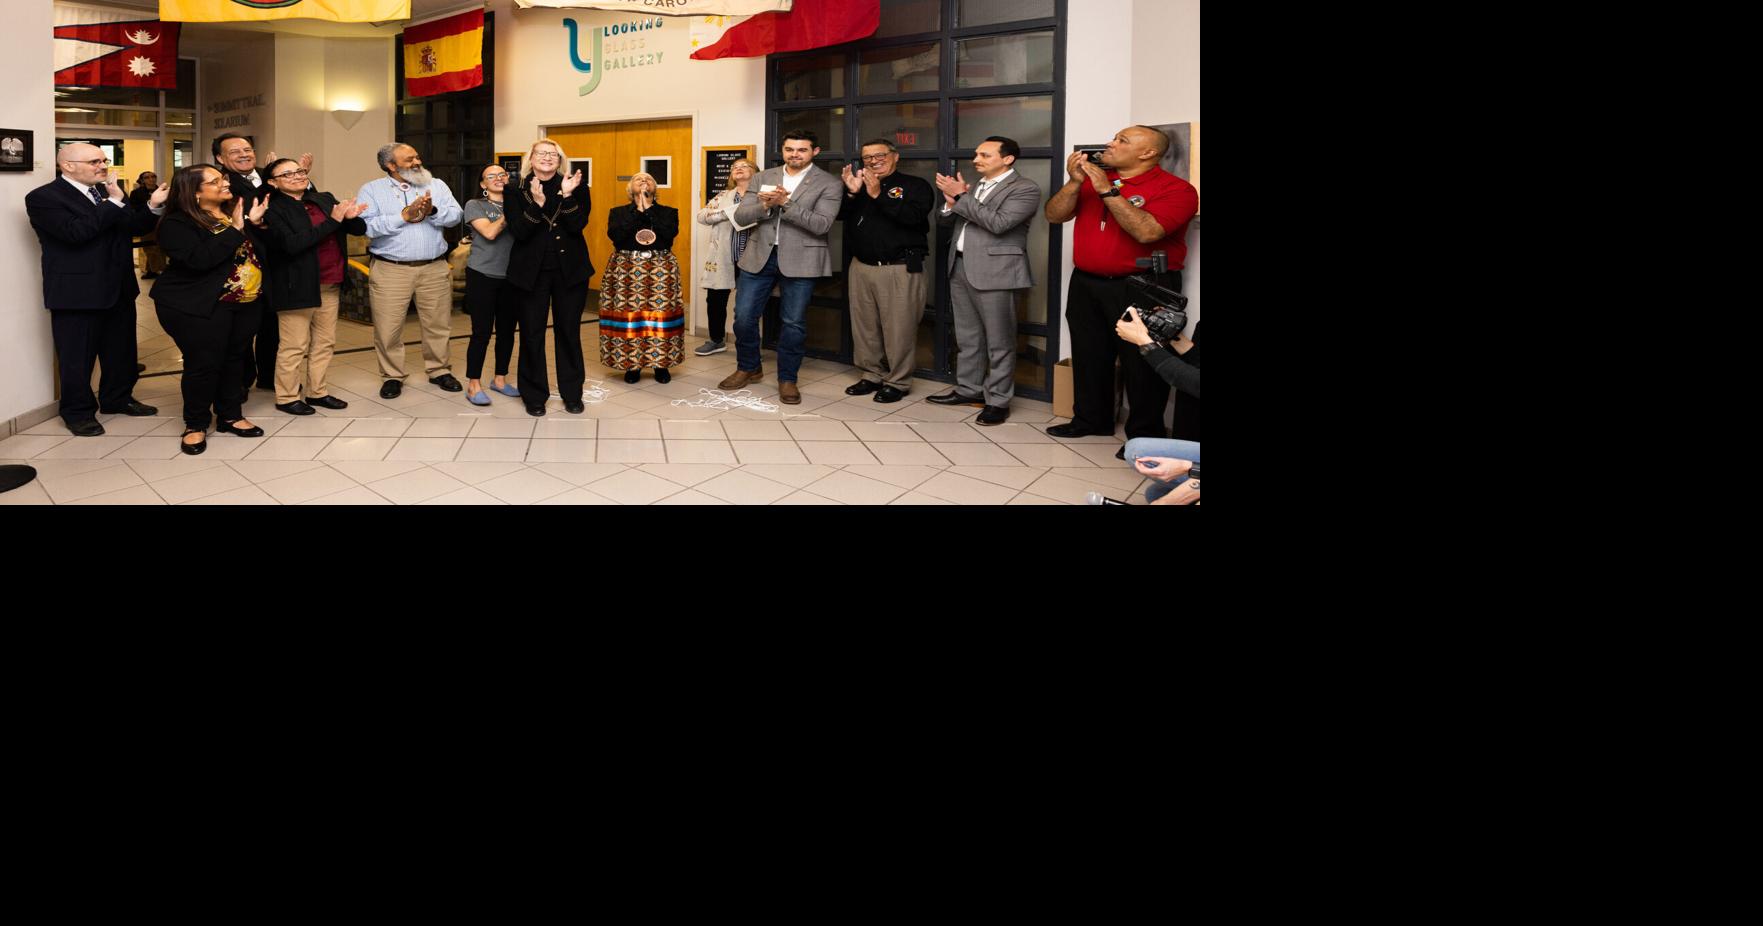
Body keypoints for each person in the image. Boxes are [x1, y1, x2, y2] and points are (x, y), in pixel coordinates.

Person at [1044, 125, 1198, 444]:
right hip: (1087, 283)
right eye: (1114, 137)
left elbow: (1147, 232)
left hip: (1145, 285)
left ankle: (1144, 434)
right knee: (1089, 353)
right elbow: (1054, 215)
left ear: (1148, 153)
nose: (1111, 144)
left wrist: (1107, 191)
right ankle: (1091, 419)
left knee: (1142, 361)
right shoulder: (1095, 178)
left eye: (1121, 140)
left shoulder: (1178, 190)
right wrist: (1075, 183)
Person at [24, 142, 167, 436]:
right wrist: (113, 203)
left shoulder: (105, 192)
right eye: (94, 161)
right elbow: (76, 233)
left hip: (119, 288)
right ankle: (77, 412)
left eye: (103, 160)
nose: (103, 166)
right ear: (68, 166)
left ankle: (117, 399)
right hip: (77, 293)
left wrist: (153, 205)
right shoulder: (43, 198)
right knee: (78, 358)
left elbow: (133, 227)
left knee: (121, 352)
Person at [149, 165, 272, 455]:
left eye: (223, 179)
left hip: (243, 303)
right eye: (215, 181)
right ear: (194, 191)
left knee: (235, 358)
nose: (224, 183)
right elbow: (200, 260)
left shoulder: (232, 213)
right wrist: (239, 229)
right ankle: (195, 424)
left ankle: (230, 416)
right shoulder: (177, 223)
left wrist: (251, 226)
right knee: (203, 363)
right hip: (196, 304)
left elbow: (250, 253)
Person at [723, 130, 843, 405]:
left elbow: (821, 225)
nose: (794, 154)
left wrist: (785, 203)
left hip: (802, 259)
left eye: (801, 150)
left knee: (793, 323)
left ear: (815, 151)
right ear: (783, 150)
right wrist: (764, 207)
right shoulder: (764, 176)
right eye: (789, 149)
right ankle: (749, 366)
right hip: (758, 256)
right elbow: (741, 215)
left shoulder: (828, 183)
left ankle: (787, 379)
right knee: (743, 317)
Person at [931, 136, 1042, 425]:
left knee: (1000, 341)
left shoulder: (1025, 188)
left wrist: (961, 198)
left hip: (998, 271)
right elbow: (947, 223)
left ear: (1008, 159)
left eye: (985, 155)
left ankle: (998, 400)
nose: (976, 159)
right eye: (976, 153)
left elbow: (999, 224)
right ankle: (969, 390)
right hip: (961, 267)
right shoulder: (975, 185)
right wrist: (949, 204)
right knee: (968, 338)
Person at [354, 142, 464, 401]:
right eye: (409, 159)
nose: (417, 162)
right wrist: (403, 215)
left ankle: (439, 370)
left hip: (434, 267)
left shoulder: (436, 185)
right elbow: (365, 227)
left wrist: (432, 211)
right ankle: (392, 375)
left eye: (417, 156)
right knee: (388, 328)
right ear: (391, 166)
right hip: (392, 269)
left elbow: (456, 215)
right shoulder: (371, 190)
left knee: (438, 325)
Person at [260, 157, 367, 415]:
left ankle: (317, 392)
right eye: (287, 174)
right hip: (296, 286)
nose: (297, 176)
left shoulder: (323, 198)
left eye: (298, 171)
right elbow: (292, 244)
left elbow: (357, 228)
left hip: (330, 281)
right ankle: (286, 397)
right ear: (273, 183)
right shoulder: (274, 210)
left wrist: (350, 218)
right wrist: (333, 221)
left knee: (324, 342)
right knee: (294, 345)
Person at [837, 138, 934, 404]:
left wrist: (878, 193)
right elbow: (840, 216)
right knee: (864, 326)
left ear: (895, 156)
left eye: (879, 155)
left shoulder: (916, 186)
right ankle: (871, 374)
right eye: (867, 157)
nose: (873, 161)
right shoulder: (858, 185)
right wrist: (853, 193)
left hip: (899, 268)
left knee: (899, 329)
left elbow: (913, 219)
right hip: (861, 267)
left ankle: (898, 381)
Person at [505, 137, 591, 417]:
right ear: (530, 158)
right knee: (531, 334)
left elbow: (578, 225)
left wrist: (566, 196)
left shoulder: (577, 187)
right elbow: (519, 232)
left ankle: (572, 394)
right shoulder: (515, 190)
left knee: (569, 334)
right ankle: (534, 395)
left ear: (560, 160)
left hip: (570, 273)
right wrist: (537, 204)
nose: (547, 158)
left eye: (553, 154)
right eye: (541, 153)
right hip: (530, 274)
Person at [212, 133, 283, 395]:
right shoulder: (219, 183)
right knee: (240, 329)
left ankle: (269, 376)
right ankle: (240, 381)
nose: (244, 154)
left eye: (248, 149)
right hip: (239, 268)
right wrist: (270, 183)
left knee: (271, 325)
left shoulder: (270, 175)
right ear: (220, 158)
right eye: (235, 151)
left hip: (275, 262)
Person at [598, 171, 683, 385]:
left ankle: (660, 364)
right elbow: (617, 237)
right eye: (638, 179)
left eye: (648, 179)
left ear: (655, 188)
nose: (644, 180)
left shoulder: (668, 212)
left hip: (660, 267)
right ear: (630, 190)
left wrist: (650, 211)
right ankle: (632, 365)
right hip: (626, 267)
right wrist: (638, 212)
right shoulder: (617, 212)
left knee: (660, 315)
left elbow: (668, 235)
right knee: (630, 316)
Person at [460, 163, 521, 406]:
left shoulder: (518, 202)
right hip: (483, 275)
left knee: (507, 332)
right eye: (491, 176)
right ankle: (473, 384)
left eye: (502, 174)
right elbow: (490, 233)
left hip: (512, 277)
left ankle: (500, 379)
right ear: (483, 184)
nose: (498, 178)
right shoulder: (475, 205)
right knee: (482, 332)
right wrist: (513, 211)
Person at [694, 157, 757, 357]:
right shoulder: (723, 196)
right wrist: (728, 213)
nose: (738, 169)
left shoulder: (761, 195)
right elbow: (702, 216)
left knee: (748, 305)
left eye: (743, 166)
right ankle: (716, 340)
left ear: (755, 172)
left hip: (752, 258)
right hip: (724, 257)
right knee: (715, 300)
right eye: (734, 167)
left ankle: (748, 345)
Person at [128, 170, 168, 278]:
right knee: (149, 249)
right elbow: (133, 208)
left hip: (161, 223)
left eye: (153, 176)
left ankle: (155, 270)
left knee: (160, 248)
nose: (151, 179)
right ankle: (155, 269)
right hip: (145, 224)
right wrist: (150, 204)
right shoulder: (136, 193)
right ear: (142, 180)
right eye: (147, 177)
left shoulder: (163, 191)